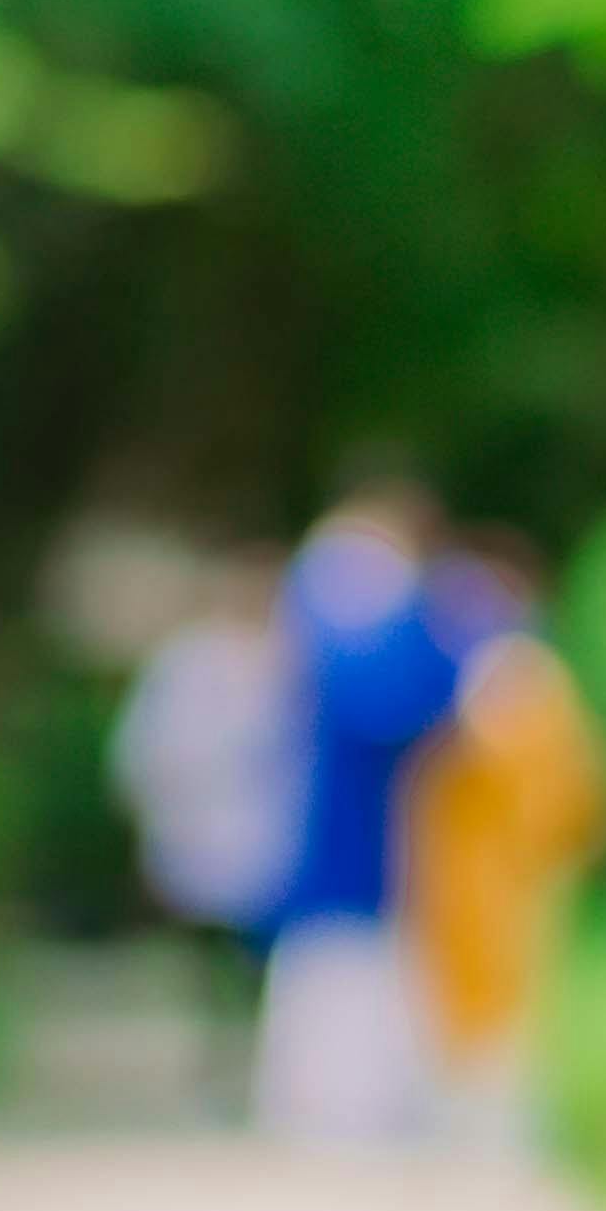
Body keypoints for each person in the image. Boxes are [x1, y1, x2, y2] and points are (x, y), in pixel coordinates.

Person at [253, 485, 464, 1145]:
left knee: (360, 975)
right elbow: (400, 705)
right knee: (337, 972)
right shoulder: (345, 614)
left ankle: (353, 1110)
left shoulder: (338, 612)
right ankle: (332, 1112)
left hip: (382, 841)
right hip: (346, 841)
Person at [400, 537, 606, 1157]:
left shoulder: (514, 673)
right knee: (474, 1014)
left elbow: (561, 794)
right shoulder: (484, 674)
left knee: (505, 1016)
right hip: (470, 875)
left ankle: (501, 1140)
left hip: (507, 876)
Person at [107, 545, 297, 1105]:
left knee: (253, 957)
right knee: (213, 955)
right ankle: (222, 1049)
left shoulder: (286, 659)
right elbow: (148, 751)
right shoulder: (188, 663)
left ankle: (245, 1050)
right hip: (202, 834)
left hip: (265, 842)